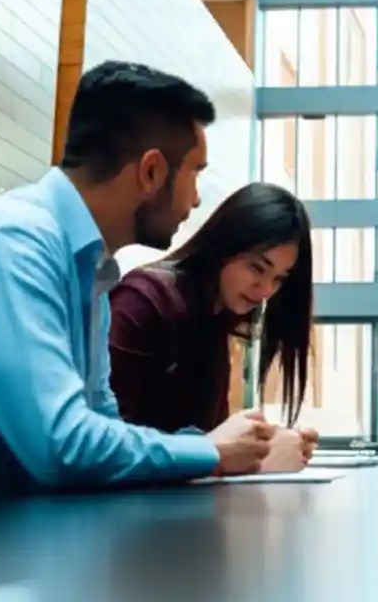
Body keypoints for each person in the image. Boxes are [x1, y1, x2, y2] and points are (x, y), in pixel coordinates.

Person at [0, 61, 277, 510]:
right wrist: (209, 452)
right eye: (196, 173)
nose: (197, 198)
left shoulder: (90, 270)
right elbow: (59, 444)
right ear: (151, 172)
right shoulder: (14, 242)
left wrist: (209, 447)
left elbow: (98, 426)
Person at [109, 182, 319, 472]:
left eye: (279, 278)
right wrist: (218, 453)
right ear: (225, 244)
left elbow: (209, 443)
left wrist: (258, 449)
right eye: (257, 268)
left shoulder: (215, 320)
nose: (266, 290)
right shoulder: (143, 302)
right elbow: (107, 446)